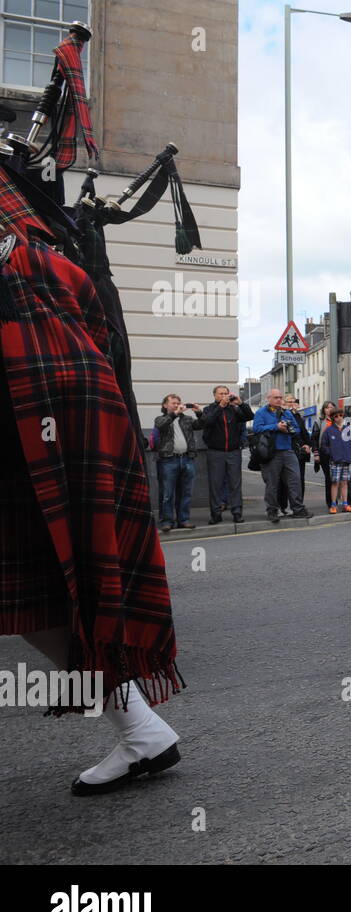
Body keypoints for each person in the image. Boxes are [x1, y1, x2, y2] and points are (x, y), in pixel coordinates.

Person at [2, 185, 182, 795]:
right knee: (49, 582)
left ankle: (139, 727)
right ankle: (139, 728)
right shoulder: (35, 221)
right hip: (80, 385)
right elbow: (99, 313)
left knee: (32, 584)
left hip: (30, 395)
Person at [252, 388, 311, 523]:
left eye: (280, 397)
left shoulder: (286, 413)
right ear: (269, 398)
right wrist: (276, 427)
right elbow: (256, 429)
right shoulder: (262, 412)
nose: (279, 400)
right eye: (276, 397)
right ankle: (272, 510)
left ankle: (298, 509)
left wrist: (289, 429)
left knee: (295, 481)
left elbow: (297, 429)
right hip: (271, 452)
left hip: (288, 451)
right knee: (272, 484)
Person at [199, 384, 252, 524]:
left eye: (226, 394)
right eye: (221, 394)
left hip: (233, 452)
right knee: (215, 484)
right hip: (216, 452)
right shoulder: (209, 409)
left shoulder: (234, 409)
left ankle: (237, 512)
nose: (224, 396)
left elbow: (249, 416)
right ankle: (215, 514)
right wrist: (220, 407)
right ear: (215, 395)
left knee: (235, 484)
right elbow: (208, 422)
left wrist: (241, 404)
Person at [154, 393, 200, 531]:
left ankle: (183, 520)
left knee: (185, 493)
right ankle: (167, 521)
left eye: (178, 402)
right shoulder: (160, 419)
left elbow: (202, 424)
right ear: (165, 405)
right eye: (173, 403)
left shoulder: (187, 419)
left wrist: (199, 413)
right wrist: (174, 414)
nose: (177, 405)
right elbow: (161, 425)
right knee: (167, 494)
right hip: (169, 460)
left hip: (187, 458)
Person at [279, 395, 312, 515]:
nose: (292, 404)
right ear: (284, 403)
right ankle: (283, 506)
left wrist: (308, 444)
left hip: (299, 452)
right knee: (284, 482)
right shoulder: (282, 414)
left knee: (299, 480)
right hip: (287, 450)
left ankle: (298, 505)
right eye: (289, 402)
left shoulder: (298, 416)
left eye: (294, 402)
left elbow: (303, 433)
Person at [320, 409, 351, 514]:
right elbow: (324, 445)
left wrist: (350, 455)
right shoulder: (329, 430)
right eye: (336, 416)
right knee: (335, 483)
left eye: (341, 415)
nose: (339, 418)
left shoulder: (347, 430)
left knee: (344, 483)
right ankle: (333, 505)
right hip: (335, 461)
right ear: (333, 418)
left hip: (346, 460)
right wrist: (332, 453)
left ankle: (345, 504)